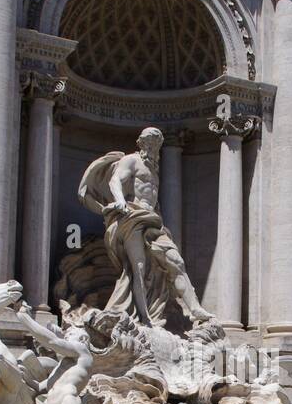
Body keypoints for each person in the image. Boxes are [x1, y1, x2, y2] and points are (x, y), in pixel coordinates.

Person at [77, 127, 214, 328]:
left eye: (156, 144)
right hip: (132, 215)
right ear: (141, 144)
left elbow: (154, 199)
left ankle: (194, 308)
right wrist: (120, 201)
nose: (152, 148)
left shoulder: (153, 170)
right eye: (149, 143)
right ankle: (144, 319)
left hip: (152, 220)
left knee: (175, 261)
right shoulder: (131, 160)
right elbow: (115, 180)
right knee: (138, 268)